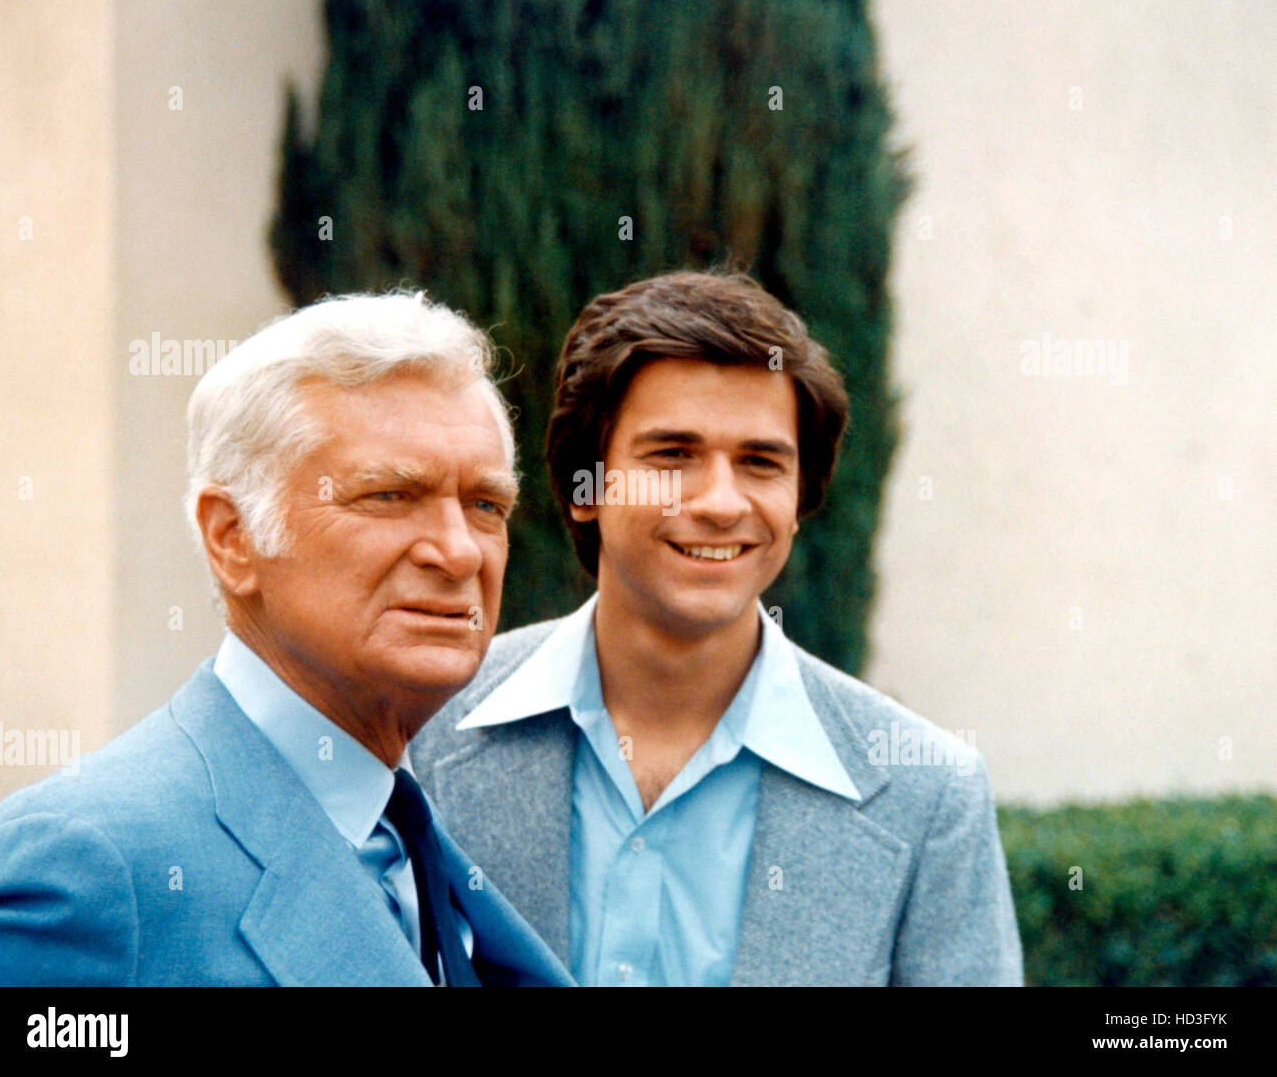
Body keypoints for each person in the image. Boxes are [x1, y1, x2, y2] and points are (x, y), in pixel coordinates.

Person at [411, 271, 1024, 986]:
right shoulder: (423, 726)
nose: (722, 502)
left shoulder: (928, 795)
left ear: (799, 502)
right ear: (585, 488)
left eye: (761, 462)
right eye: (672, 455)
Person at [0, 292, 573, 987]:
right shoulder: (84, 867)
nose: (459, 551)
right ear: (233, 538)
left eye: (485, 505)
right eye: (387, 495)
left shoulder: (422, 844)